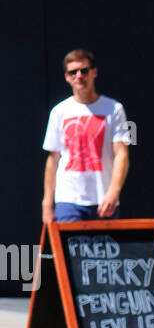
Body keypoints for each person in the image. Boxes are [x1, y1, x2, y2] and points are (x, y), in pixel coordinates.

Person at [42, 49, 131, 223]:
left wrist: (114, 191)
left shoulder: (114, 109)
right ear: (67, 76)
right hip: (68, 200)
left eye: (84, 70)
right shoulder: (59, 112)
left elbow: (122, 154)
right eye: (73, 72)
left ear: (94, 72)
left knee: (105, 250)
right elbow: (53, 159)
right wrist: (47, 203)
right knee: (67, 250)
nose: (79, 76)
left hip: (104, 200)